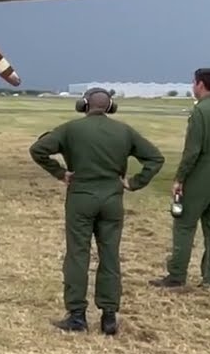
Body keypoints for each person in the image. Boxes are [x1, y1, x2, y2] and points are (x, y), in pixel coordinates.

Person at [29, 87, 165, 335]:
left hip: (80, 198)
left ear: (84, 105)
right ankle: (109, 317)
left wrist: (60, 173)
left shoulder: (70, 129)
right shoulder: (124, 131)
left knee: (77, 255)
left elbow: (37, 150)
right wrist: (134, 182)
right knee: (110, 255)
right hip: (112, 200)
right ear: (110, 106)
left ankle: (77, 316)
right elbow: (155, 158)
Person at [150, 67, 210, 292]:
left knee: (184, 224)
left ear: (200, 84)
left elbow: (192, 151)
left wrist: (180, 178)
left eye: (193, 83)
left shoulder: (200, 112)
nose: (193, 87)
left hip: (204, 172)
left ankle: (176, 275)